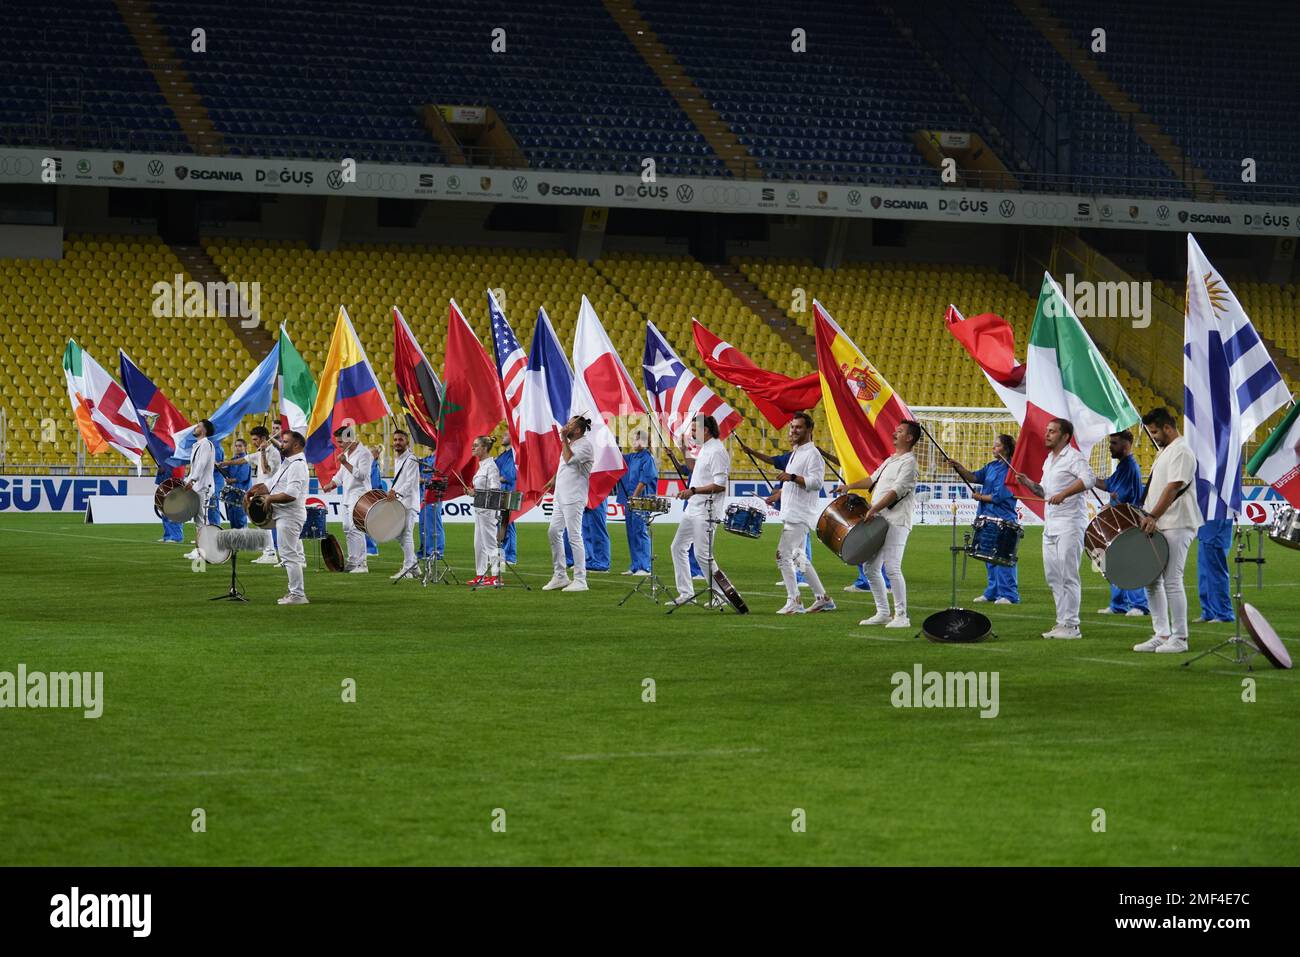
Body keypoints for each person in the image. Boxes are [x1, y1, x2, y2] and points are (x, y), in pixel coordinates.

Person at [1012, 418, 1096, 640]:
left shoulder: (1074, 457)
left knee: (1069, 575)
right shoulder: (1049, 460)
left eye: (1052, 431)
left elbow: (1089, 479)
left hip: (1070, 524)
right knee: (1053, 576)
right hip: (1050, 524)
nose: (1046, 434)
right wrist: (1029, 483)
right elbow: (1045, 493)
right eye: (1047, 430)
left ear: (1065, 436)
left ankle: (1072, 625)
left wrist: (1065, 494)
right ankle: (1062, 622)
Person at [836, 420, 920, 628]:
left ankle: (902, 616)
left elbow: (895, 492)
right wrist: (850, 486)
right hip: (880, 521)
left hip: (897, 521)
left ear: (909, 438)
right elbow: (872, 479)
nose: (894, 433)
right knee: (870, 567)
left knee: (892, 567)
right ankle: (883, 612)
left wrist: (873, 508)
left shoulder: (909, 463)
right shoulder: (891, 460)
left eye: (899, 431)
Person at [1133, 408, 1202, 654]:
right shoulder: (1166, 451)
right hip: (1162, 523)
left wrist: (1152, 515)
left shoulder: (1181, 450)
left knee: (1172, 580)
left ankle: (1180, 638)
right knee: (1151, 580)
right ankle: (1162, 634)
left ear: (1167, 428)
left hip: (1177, 522)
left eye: (1155, 432)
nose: (1153, 437)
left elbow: (1173, 488)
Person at [764, 412, 835, 614]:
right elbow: (792, 483)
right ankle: (823, 598)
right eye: (792, 427)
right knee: (797, 556)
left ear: (810, 430)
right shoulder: (797, 452)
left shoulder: (813, 454)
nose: (793, 430)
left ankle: (794, 600)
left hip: (800, 514)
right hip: (792, 511)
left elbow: (816, 483)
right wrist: (778, 494)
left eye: (798, 427)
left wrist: (792, 477)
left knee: (782, 555)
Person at [948, 434, 1020, 605]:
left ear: (1006, 448)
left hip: (1003, 517)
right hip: (986, 517)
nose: (993, 448)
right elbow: (973, 477)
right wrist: (959, 468)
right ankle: (992, 592)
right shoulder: (992, 466)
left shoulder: (1011, 470)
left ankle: (1009, 594)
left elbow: (999, 496)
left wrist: (979, 496)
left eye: (997, 445)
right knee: (988, 556)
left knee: (1002, 557)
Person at [667, 414, 730, 608]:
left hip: (706, 511)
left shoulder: (718, 451)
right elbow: (694, 469)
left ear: (706, 430)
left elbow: (720, 485)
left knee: (703, 555)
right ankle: (686, 593)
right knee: (677, 547)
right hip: (694, 508)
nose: (691, 433)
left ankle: (722, 595)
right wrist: (685, 450)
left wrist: (693, 490)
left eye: (694, 429)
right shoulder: (706, 449)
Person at [740, 437, 813, 589]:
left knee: (795, 548)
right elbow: (773, 461)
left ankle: (800, 579)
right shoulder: (790, 456)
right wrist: (752, 452)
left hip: (799, 509)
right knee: (798, 548)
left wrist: (779, 493)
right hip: (791, 508)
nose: (791, 435)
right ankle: (802, 579)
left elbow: (806, 482)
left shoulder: (807, 456)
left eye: (795, 430)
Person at [1092, 431, 1149, 617]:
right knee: (1115, 563)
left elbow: (1121, 496)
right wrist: (1090, 479)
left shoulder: (1130, 467)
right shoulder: (1123, 466)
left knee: (1129, 564)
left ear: (1126, 446)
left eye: (1114, 443)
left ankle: (1139, 605)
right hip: (1120, 521)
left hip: (1128, 521)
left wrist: (1112, 502)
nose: (1110, 446)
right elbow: (1109, 485)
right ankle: (1118, 604)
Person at [545, 416, 595, 593]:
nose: (566, 425)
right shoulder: (572, 444)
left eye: (571, 424)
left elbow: (568, 459)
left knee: (574, 536)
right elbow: (564, 466)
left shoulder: (585, 445)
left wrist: (563, 439)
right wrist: (553, 480)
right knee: (553, 531)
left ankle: (581, 579)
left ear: (579, 430)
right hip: (561, 496)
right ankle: (560, 575)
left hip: (574, 497)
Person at [263, 430, 309, 605]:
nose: (281, 444)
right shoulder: (289, 463)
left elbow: (292, 494)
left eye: (285, 442)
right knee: (289, 554)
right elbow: (271, 484)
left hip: (290, 515)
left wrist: (269, 498)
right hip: (284, 514)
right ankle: (295, 592)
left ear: (296, 445)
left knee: (289, 555)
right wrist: (255, 490)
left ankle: (298, 594)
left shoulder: (297, 464)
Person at [320, 426, 373, 573]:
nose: (339, 445)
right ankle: (353, 560)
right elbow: (341, 475)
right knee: (347, 528)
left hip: (360, 496)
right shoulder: (347, 453)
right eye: (337, 442)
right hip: (348, 496)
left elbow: (362, 476)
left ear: (350, 439)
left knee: (356, 528)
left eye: (341, 442)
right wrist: (332, 484)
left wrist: (345, 463)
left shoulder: (365, 454)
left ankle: (362, 564)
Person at [616, 429, 658, 575]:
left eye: (637, 440)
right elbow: (618, 458)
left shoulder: (648, 458)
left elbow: (644, 480)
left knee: (640, 532)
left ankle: (644, 566)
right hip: (630, 501)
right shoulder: (632, 457)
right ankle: (635, 565)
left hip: (641, 500)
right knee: (631, 532)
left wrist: (634, 497)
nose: (634, 443)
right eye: (633, 440)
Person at [241, 426, 282, 564]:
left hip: (270, 493)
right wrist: (224, 463)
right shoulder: (259, 453)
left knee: (274, 524)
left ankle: (272, 553)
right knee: (262, 523)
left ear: (264, 439)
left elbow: (266, 470)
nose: (253, 442)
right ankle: (269, 552)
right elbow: (244, 459)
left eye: (255, 439)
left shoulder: (273, 453)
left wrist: (263, 452)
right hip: (262, 493)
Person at [466, 435, 503, 586]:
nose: (473, 447)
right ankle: (481, 574)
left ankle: (497, 576)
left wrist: (477, 493)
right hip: (479, 510)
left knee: (490, 544)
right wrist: (473, 492)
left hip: (488, 511)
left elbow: (495, 488)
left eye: (476, 445)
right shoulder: (482, 466)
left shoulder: (491, 466)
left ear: (485, 448)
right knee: (478, 544)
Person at [388, 430, 421, 580]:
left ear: (407, 442)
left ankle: (407, 568)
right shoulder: (399, 459)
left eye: (400, 440)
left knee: (406, 534)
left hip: (409, 502)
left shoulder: (411, 459)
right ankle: (413, 565)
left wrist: (396, 492)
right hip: (400, 502)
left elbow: (410, 482)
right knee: (397, 533)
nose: (397, 442)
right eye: (395, 440)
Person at [182, 418, 216, 560]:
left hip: (203, 486)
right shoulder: (198, 445)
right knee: (198, 519)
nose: (195, 427)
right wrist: (187, 480)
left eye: (198, 426)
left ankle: (204, 552)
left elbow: (201, 465)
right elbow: (195, 467)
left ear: (204, 430)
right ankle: (199, 549)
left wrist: (192, 480)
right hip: (198, 486)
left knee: (202, 519)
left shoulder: (206, 444)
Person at [1196, 518, 1235, 623]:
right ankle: (1209, 611)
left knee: (1216, 570)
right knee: (1204, 571)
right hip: (1206, 524)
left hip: (1216, 522)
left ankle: (1224, 613)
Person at [417, 450, 446, 560]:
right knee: (424, 524)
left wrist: (422, 480)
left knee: (433, 523)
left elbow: (440, 478)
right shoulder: (428, 458)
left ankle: (436, 551)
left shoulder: (439, 458)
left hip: (433, 495)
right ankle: (425, 551)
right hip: (423, 495)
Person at [218, 438, 252, 529]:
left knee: (240, 517)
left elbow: (243, 476)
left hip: (241, 492)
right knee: (232, 517)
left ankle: (243, 540)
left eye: (240, 446)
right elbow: (227, 472)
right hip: (232, 492)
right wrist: (218, 467)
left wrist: (231, 480)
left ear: (245, 447)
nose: (237, 448)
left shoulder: (246, 460)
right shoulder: (233, 459)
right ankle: (235, 540)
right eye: (236, 446)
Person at [495, 440, 518, 565]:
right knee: (502, 523)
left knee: (507, 524)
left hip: (509, 492)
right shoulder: (505, 454)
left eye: (506, 432)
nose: (502, 435)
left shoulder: (513, 454)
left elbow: (508, 475)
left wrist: (492, 479)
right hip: (502, 492)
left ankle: (510, 556)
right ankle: (503, 554)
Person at [154, 463, 185, 543]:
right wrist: (160, 472)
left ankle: (177, 537)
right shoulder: (166, 463)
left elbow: (178, 478)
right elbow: (160, 481)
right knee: (165, 514)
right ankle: (168, 536)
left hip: (175, 489)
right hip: (166, 489)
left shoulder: (178, 463)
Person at [365, 444, 386, 556]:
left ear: (376, 454)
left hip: (371, 496)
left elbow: (374, 483)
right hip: (373, 496)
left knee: (367, 524)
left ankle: (371, 548)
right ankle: (370, 547)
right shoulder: (374, 465)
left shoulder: (373, 465)